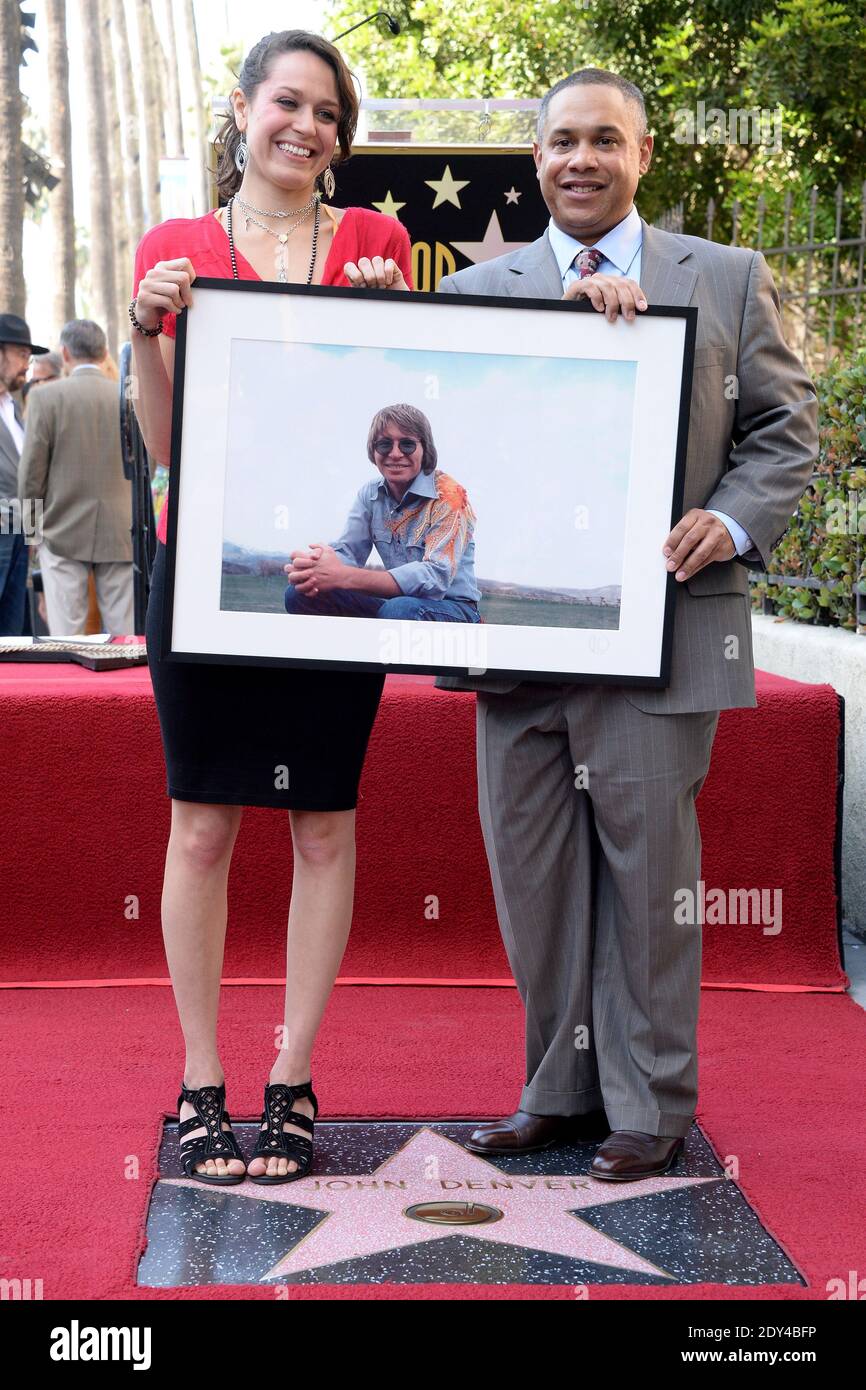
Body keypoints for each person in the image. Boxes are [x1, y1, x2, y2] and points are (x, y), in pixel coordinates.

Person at [435, 68, 818, 1180]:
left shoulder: (726, 279)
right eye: (560, 141)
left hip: (662, 634)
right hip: (515, 644)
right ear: (536, 158)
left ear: (643, 154)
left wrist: (730, 523)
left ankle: (648, 1105)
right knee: (535, 879)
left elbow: (782, 437)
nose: (579, 160)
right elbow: (449, 452)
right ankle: (554, 1091)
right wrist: (551, 343)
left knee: (650, 882)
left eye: (604, 139)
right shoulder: (478, 295)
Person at [130, 29, 413, 1188]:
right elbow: (161, 447)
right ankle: (202, 1079)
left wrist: (393, 325)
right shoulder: (174, 247)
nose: (307, 126)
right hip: (202, 573)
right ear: (242, 109)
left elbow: (397, 430)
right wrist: (147, 333)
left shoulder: (378, 242)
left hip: (331, 580)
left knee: (322, 825)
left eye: (328, 114)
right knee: (201, 827)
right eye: (287, 103)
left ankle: (292, 1076)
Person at [284, 403, 481, 622]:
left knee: (399, 610)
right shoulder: (370, 494)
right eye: (384, 444)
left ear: (425, 449)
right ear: (373, 451)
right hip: (397, 603)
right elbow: (349, 551)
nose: (395, 454)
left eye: (407, 444)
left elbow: (434, 579)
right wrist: (316, 567)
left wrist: (344, 577)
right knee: (299, 594)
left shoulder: (450, 496)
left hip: (453, 607)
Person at [17, 319, 134, 637]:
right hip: (121, 530)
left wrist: (30, 532)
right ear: (104, 352)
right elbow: (144, 462)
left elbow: (31, 474)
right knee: (126, 639)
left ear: (65, 353)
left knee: (65, 639)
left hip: (61, 530)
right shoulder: (127, 397)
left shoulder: (45, 398)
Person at [0, 314, 49, 635]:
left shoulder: (14, 408)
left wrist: (31, 535)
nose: (27, 365)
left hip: (17, 533)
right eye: (20, 354)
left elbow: (28, 474)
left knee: (13, 630)